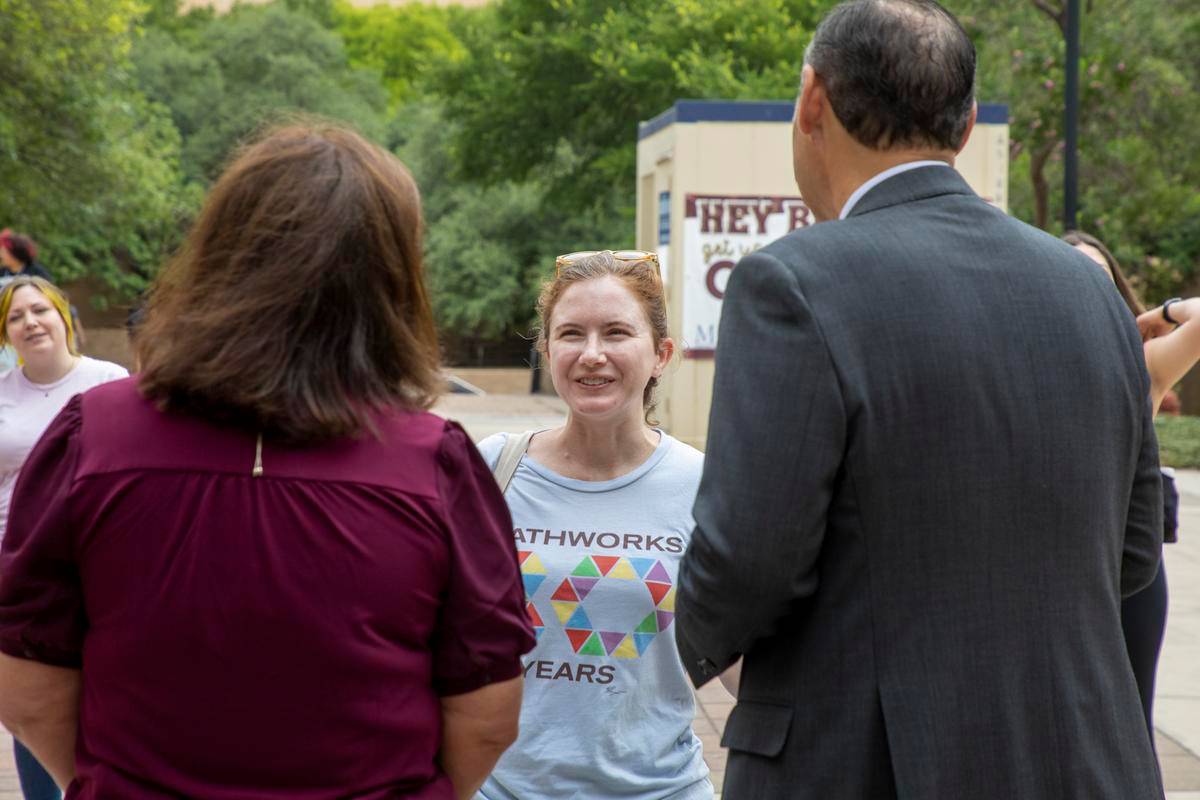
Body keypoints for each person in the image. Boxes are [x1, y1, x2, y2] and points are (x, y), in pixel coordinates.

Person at [674, 1, 1164, 798]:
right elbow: (1133, 552)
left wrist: (674, 656)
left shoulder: (790, 283)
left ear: (811, 101)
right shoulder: (1087, 289)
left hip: (869, 762)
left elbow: (749, 561)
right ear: (965, 126)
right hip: (1086, 759)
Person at [0, 123, 534, 798]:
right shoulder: (434, 463)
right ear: (390, 280)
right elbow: (487, 712)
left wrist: (109, 781)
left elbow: (26, 678)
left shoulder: (92, 437)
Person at [475, 250, 714, 800]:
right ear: (546, 349)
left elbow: (741, 659)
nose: (592, 355)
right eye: (571, 334)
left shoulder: (704, 484)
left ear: (661, 354)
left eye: (616, 332)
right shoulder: (494, 469)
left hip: (660, 790)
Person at [1066, 230, 1199, 743]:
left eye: (1099, 276)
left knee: (1130, 723)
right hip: (1060, 568)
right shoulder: (1027, 365)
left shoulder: (1140, 365)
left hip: (1131, 569)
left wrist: (1163, 313)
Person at [0, 276, 127, 800]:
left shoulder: (109, 382)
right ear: (5, 335)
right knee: (32, 690)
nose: (30, 322)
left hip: (95, 557)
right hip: (17, 560)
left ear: (63, 317)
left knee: (99, 681)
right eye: (15, 317)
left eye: (40, 310)